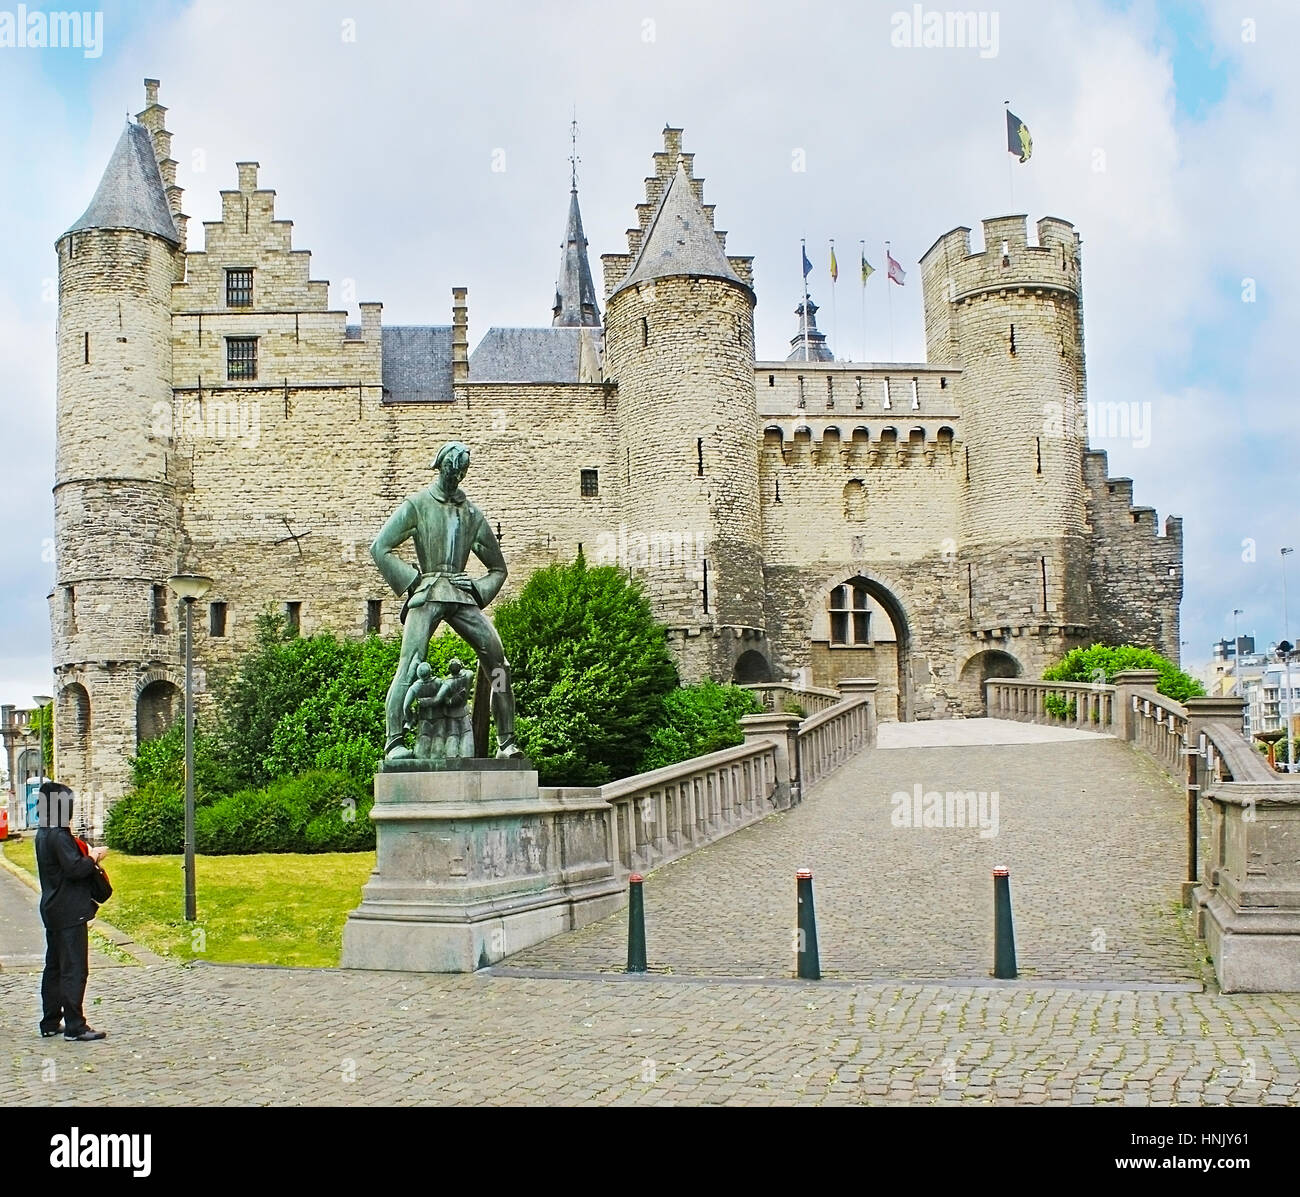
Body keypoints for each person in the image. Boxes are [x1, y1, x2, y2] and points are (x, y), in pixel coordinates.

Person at [371, 441, 521, 760]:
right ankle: (394, 741)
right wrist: (413, 582)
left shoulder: (472, 514)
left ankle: (507, 742)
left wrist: (478, 589)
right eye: (452, 470)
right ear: (441, 468)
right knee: (410, 664)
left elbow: (498, 568)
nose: (456, 477)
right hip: (427, 592)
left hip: (461, 594)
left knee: (498, 662)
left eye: (462, 472)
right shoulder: (417, 505)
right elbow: (380, 547)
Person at [34, 781, 107, 1042]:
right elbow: (75, 869)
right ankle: (76, 1025)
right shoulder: (59, 835)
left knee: (54, 966)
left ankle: (51, 1021)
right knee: (74, 968)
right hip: (69, 909)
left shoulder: (43, 832)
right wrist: (94, 856)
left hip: (53, 907)